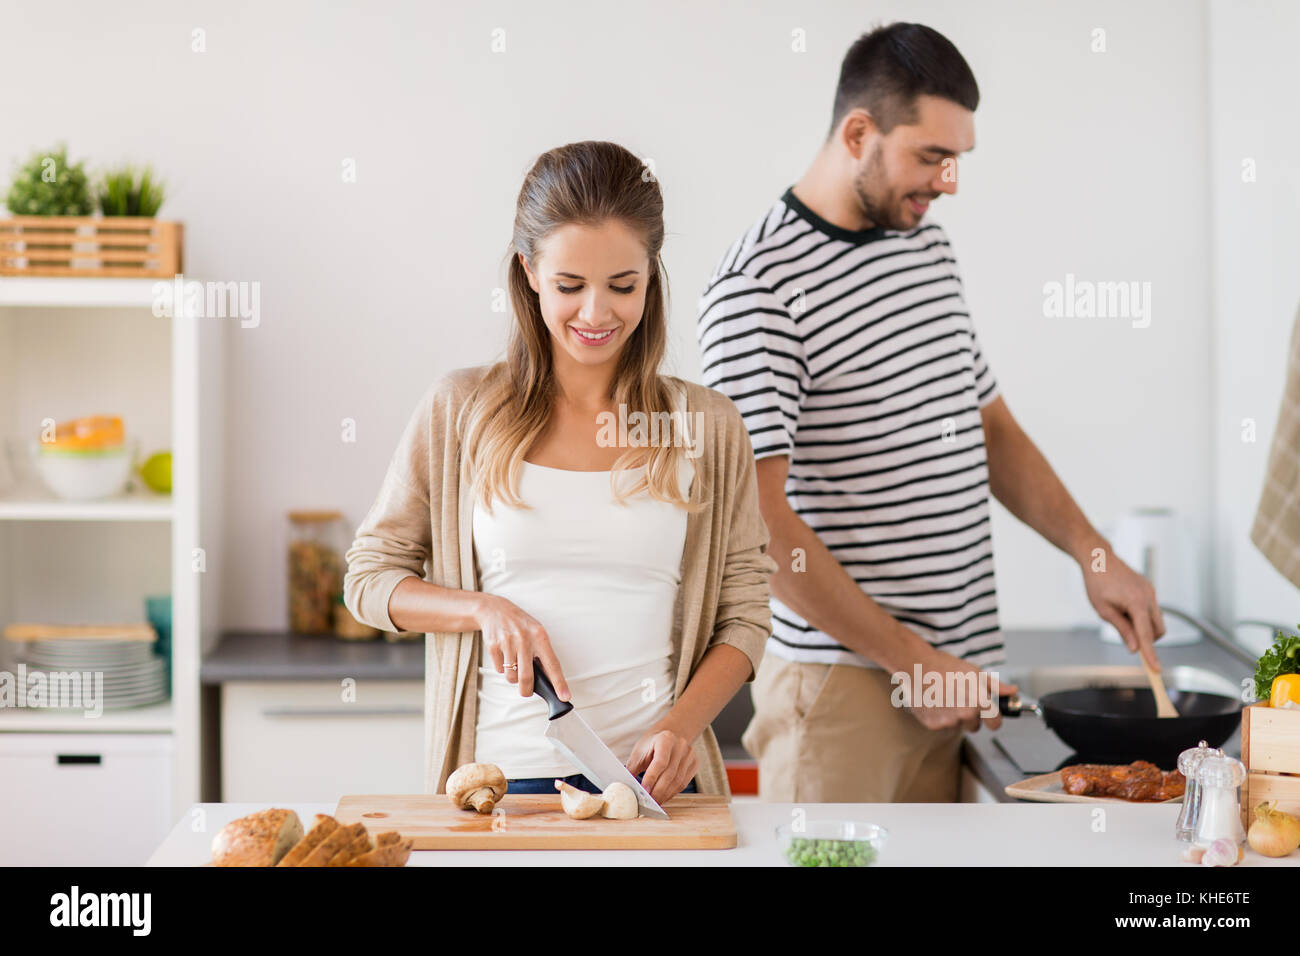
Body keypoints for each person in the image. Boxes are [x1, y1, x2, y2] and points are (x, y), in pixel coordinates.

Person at [695, 23, 1165, 803]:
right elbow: (760, 527)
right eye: (931, 157)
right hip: (843, 697)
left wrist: (1092, 552)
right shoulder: (757, 289)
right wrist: (910, 659)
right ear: (858, 133)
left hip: (948, 687)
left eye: (957, 160)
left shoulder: (924, 247)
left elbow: (990, 429)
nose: (948, 183)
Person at [344, 140, 777, 805]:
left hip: (651, 788)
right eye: (570, 286)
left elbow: (746, 614)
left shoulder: (706, 426)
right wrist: (482, 610)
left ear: (651, 277)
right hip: (500, 789)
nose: (597, 313)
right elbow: (369, 580)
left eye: (623, 285)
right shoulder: (461, 410)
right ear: (528, 272)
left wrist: (681, 728)